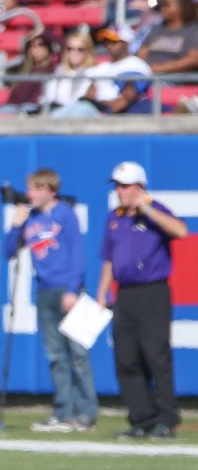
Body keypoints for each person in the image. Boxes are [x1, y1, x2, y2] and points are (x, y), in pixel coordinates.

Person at [96, 162, 189, 440]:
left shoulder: (155, 210)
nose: (119, 191)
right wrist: (102, 292)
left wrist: (147, 209)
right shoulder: (115, 218)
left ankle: (166, 419)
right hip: (124, 294)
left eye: (124, 186)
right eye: (117, 186)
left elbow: (180, 231)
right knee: (126, 357)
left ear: (138, 187)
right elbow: (109, 259)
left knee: (156, 356)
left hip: (152, 292)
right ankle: (141, 418)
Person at [4, 169, 98, 433]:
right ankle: (63, 411)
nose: (30, 194)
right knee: (56, 355)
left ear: (50, 191)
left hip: (68, 289)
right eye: (29, 188)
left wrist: (72, 289)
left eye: (35, 189)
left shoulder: (65, 214)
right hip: (44, 290)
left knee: (78, 354)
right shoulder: (31, 218)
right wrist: (16, 224)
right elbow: (9, 251)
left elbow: (77, 253)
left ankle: (86, 412)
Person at [52, 26, 153, 118]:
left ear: (125, 43)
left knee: (79, 110)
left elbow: (126, 99)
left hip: (112, 115)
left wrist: (104, 109)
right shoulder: (102, 67)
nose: (109, 45)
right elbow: (89, 95)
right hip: (93, 109)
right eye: (106, 42)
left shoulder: (135, 65)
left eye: (113, 42)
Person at [136, 0, 198, 75]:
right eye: (162, 5)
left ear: (182, 7)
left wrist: (160, 68)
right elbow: (141, 55)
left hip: (176, 78)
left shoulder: (193, 31)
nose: (163, 8)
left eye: (167, 5)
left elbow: (193, 60)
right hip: (147, 75)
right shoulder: (155, 29)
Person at [1, 33, 58, 115]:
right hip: (13, 107)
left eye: (41, 45)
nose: (36, 49)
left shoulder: (53, 68)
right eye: (32, 46)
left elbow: (63, 43)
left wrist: (42, 32)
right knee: (1, 112)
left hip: (35, 108)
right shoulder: (23, 68)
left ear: (48, 48)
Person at [41, 32, 96, 113]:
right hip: (57, 110)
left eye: (80, 49)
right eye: (70, 49)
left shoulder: (94, 72)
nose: (74, 53)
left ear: (88, 51)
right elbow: (47, 98)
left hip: (80, 113)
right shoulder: (58, 70)